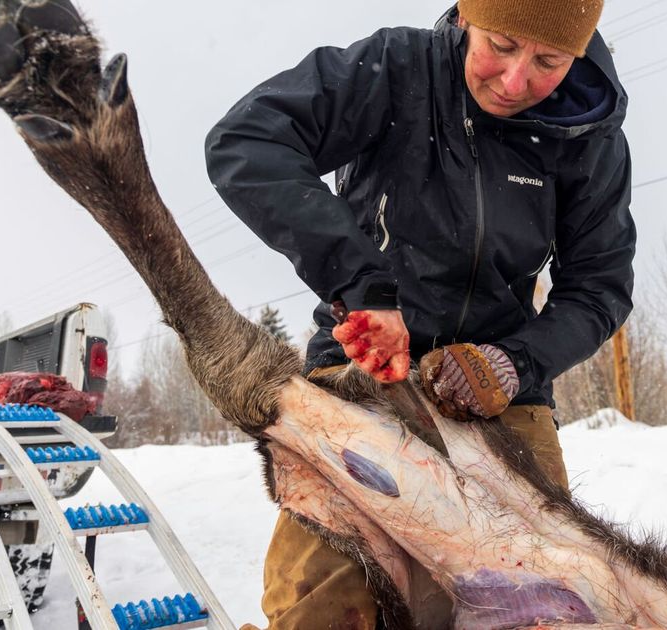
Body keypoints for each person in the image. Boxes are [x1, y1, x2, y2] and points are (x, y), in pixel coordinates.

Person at [205, 0, 634, 626]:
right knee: (322, 604)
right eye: (502, 44)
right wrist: (363, 287)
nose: (515, 82)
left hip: (502, 393)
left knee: (549, 598)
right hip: (362, 375)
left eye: (547, 61)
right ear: (465, 19)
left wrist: (515, 362)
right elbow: (248, 141)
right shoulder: (397, 68)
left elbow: (599, 286)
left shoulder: (588, 137)